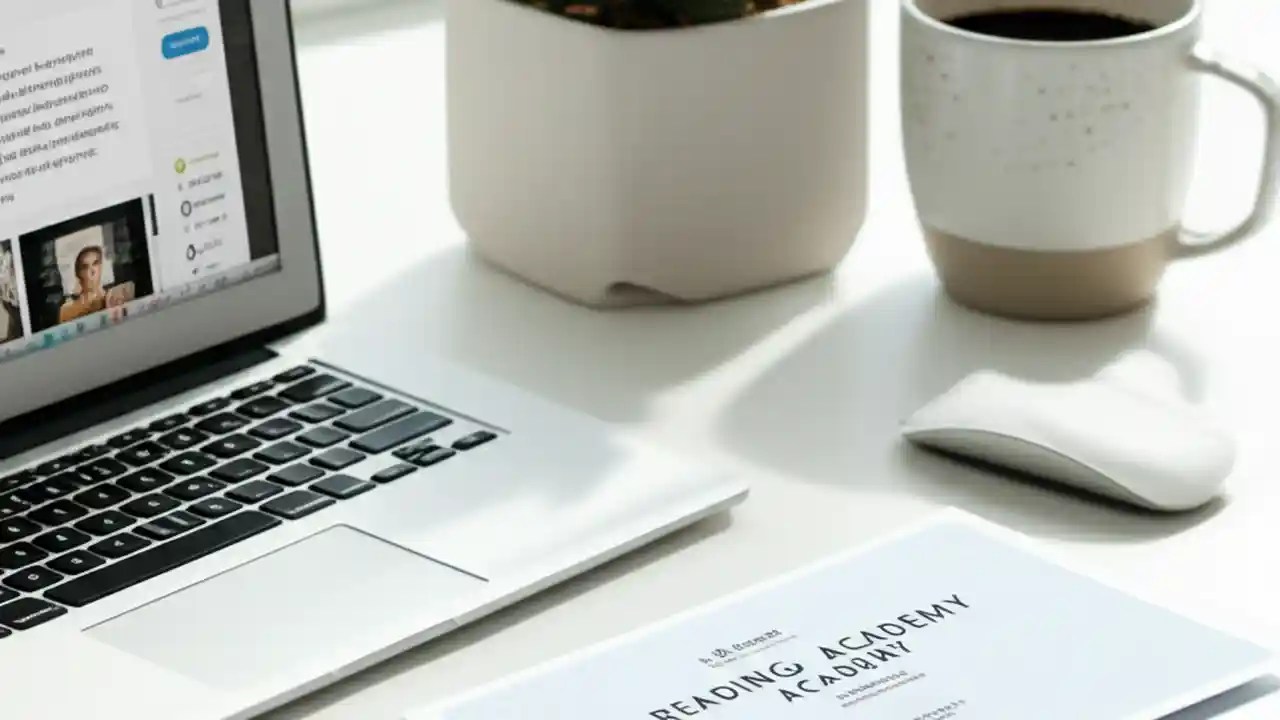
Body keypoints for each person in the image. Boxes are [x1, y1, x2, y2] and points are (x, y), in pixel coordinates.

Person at [58, 245, 129, 323]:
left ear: (101, 267)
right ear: (78, 273)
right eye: (85, 267)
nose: (92, 271)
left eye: (95, 263)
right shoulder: (67, 309)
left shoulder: (114, 297)